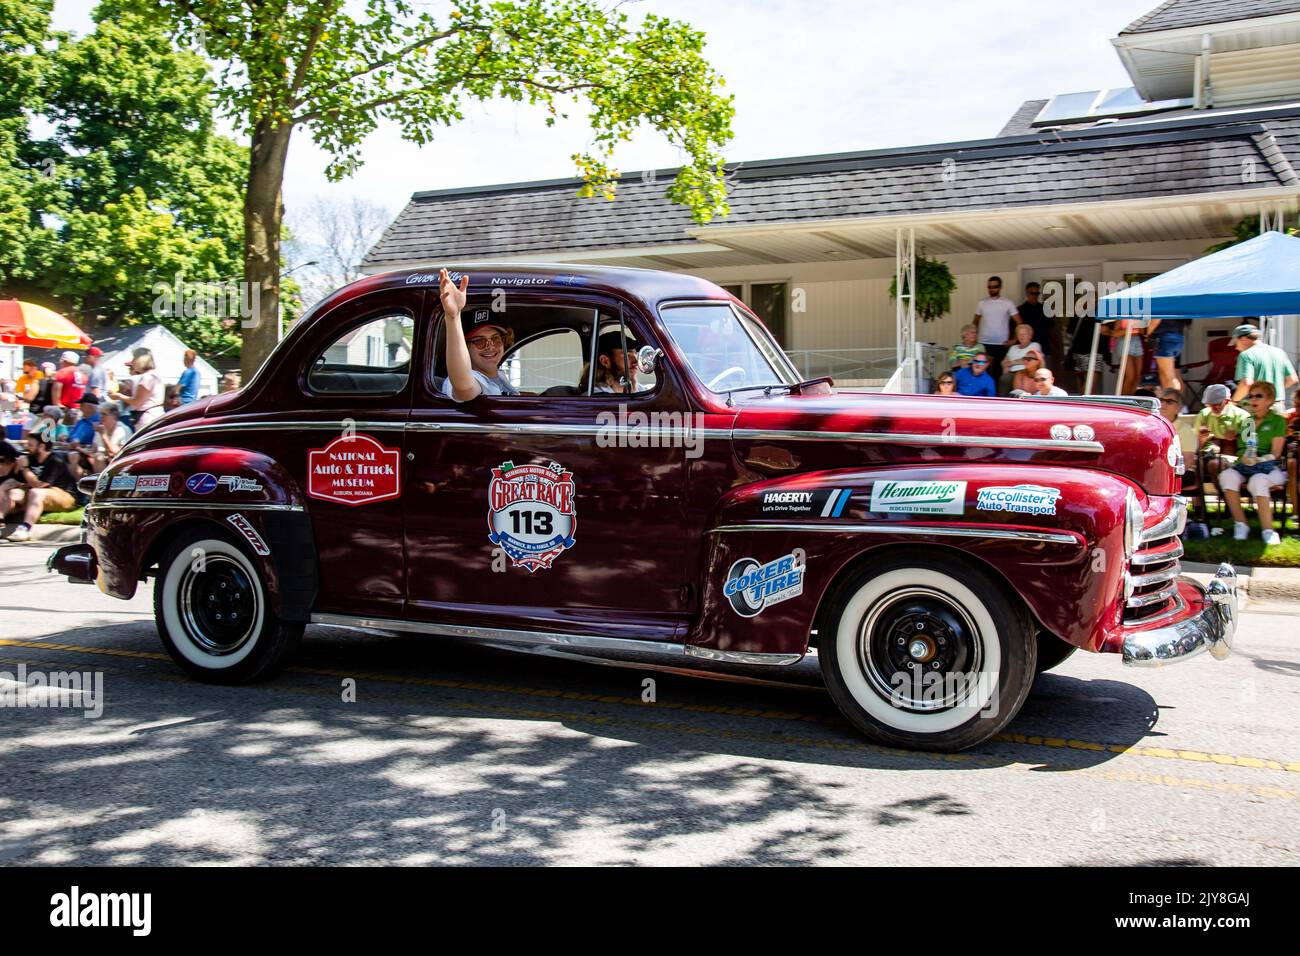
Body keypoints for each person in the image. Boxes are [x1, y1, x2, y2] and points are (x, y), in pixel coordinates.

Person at [1218, 381, 1287, 545]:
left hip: (1270, 468)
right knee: (1227, 476)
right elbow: (1243, 450)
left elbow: (1276, 454)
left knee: (1258, 480)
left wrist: (1258, 459)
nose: (1253, 399)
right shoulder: (1247, 421)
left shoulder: (1278, 421)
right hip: (1245, 466)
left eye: (1258, 396)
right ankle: (1241, 524)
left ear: (1270, 400)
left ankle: (1268, 530)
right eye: (1251, 396)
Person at [439, 270, 519, 401]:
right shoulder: (475, 379)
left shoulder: (500, 377)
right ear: (466, 347)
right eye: (479, 341)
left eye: (495, 339)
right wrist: (453, 316)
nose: (490, 346)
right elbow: (464, 388)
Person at [1, 433, 88, 542]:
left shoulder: (55, 460)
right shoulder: (30, 459)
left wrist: (25, 467)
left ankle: (25, 529)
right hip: (39, 493)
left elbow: (39, 485)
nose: (27, 448)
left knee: (36, 492)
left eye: (31, 445)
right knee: (12, 493)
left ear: (41, 446)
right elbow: (20, 481)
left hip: (65, 495)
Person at [1231, 324, 1297, 411]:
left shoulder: (1246, 355)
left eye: (1236, 343)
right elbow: (1292, 379)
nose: (1236, 347)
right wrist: (1271, 392)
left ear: (1243, 339)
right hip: (1278, 406)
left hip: (1256, 407)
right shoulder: (1279, 352)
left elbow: (1246, 384)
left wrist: (1233, 402)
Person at [110, 347, 164, 428]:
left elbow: (137, 402)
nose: (132, 361)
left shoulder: (147, 378)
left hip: (148, 419)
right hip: (154, 416)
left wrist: (119, 396)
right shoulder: (153, 375)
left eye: (134, 358)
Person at [974, 276, 1018, 371]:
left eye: (995, 286)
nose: (992, 289)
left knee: (998, 372)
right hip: (983, 343)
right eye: (989, 287)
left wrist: (1014, 340)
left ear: (1000, 287)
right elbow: (975, 322)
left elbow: (1019, 322)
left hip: (1001, 344)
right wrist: (973, 338)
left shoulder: (1008, 303)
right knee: (982, 370)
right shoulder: (981, 303)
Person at [583, 329, 644, 394]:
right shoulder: (597, 398)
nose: (636, 362)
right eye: (627, 355)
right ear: (605, 361)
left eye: (635, 354)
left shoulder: (639, 389)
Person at [1017, 282, 1057, 369]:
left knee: (1044, 376)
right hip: (1026, 351)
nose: (1034, 295)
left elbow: (1052, 329)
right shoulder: (1020, 310)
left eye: (1037, 293)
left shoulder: (1045, 309)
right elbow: (1016, 330)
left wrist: (1056, 347)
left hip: (1044, 348)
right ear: (1027, 293)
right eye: (1032, 293)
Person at [1144, 318, 1188, 392]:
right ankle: (1171, 400)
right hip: (1178, 337)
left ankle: (1173, 400)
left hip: (1164, 338)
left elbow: (1156, 319)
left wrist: (1147, 334)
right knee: (1170, 375)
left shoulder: (1163, 306)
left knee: (1168, 377)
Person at [1001, 323, 1043, 394]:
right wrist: (1005, 366)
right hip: (1011, 373)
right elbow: (1004, 361)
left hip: (1027, 372)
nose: (1021, 336)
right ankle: (1003, 402)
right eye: (1019, 334)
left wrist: (1012, 363)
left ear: (1030, 336)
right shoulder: (1013, 347)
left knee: (1008, 378)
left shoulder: (1035, 345)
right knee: (1004, 378)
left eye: (1024, 334)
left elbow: (1030, 359)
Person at [91, 403, 130, 472]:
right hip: (106, 461)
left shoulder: (123, 429)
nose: (101, 417)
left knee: (98, 458)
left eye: (104, 414)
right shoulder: (101, 428)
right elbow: (94, 450)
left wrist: (104, 436)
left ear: (114, 416)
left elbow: (118, 453)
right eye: (100, 414)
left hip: (122, 463)